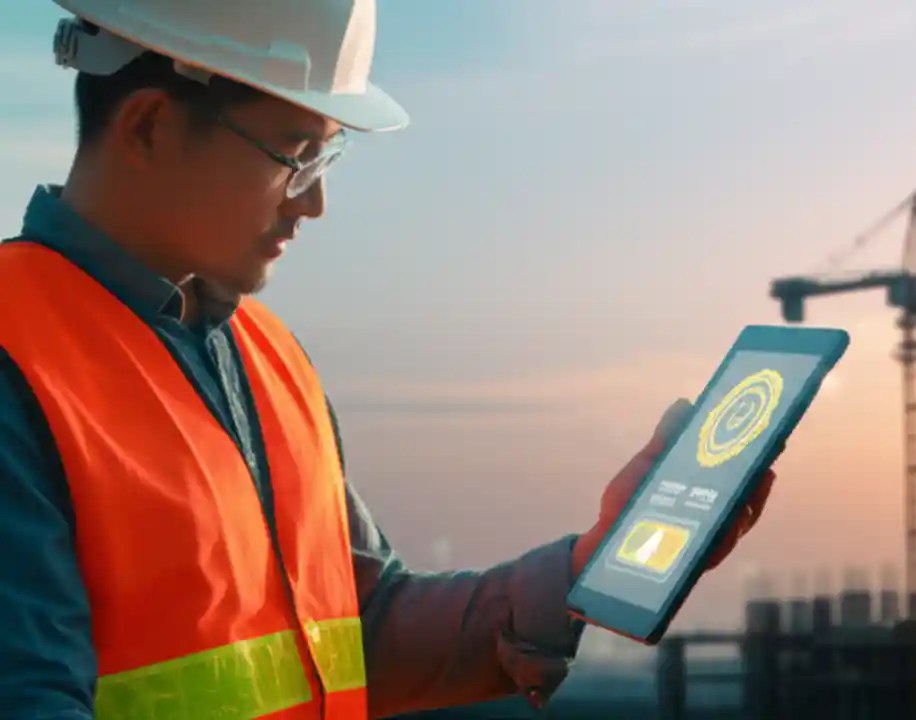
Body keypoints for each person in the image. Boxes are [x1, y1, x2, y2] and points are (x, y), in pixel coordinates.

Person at [0, 1, 778, 718]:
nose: (313, 203)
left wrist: (594, 573)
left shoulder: (265, 359)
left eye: (325, 158)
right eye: (295, 153)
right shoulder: (15, 359)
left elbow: (356, 629)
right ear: (149, 128)